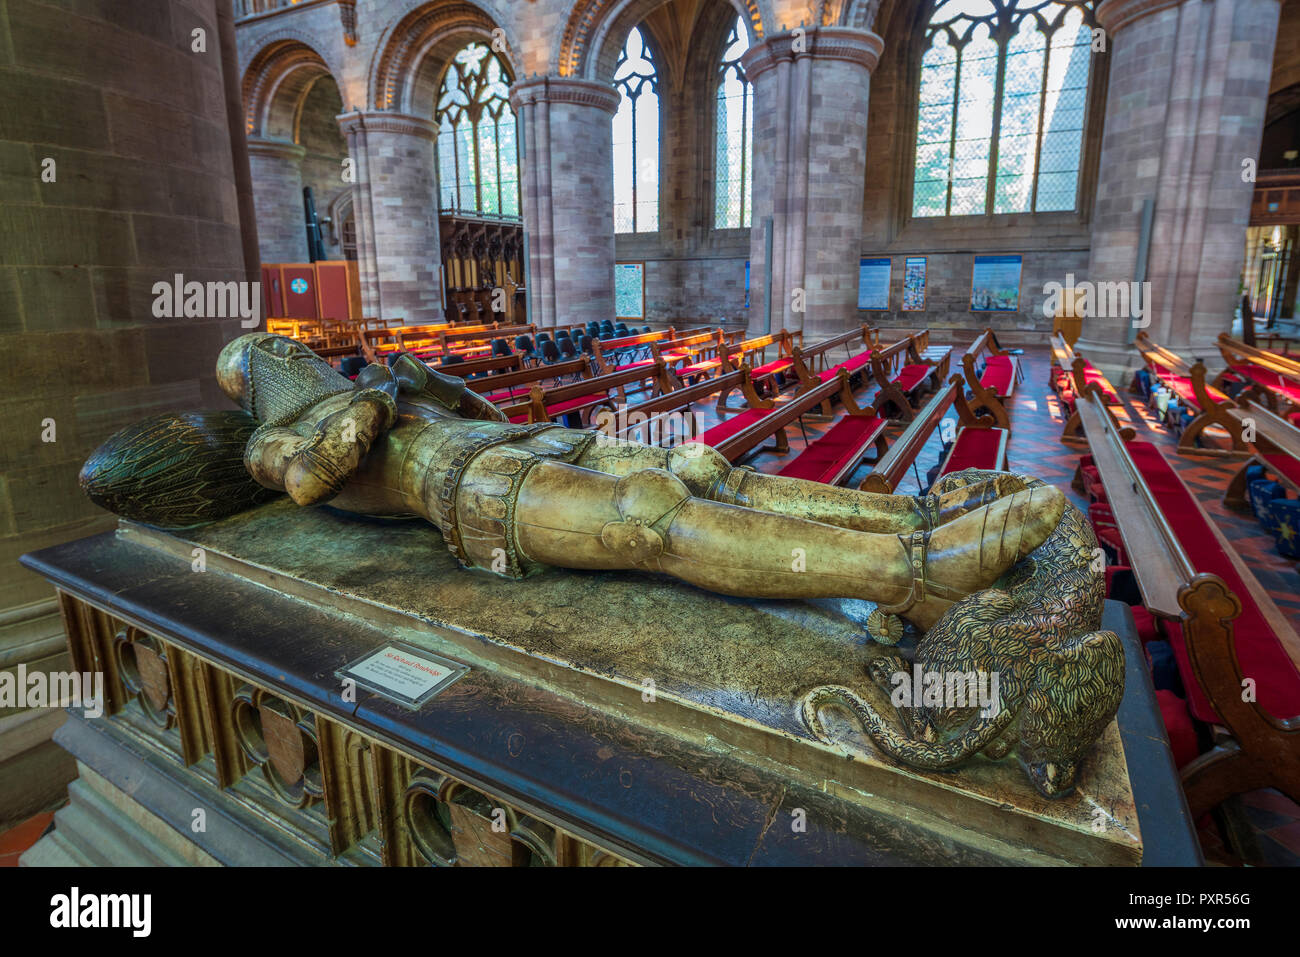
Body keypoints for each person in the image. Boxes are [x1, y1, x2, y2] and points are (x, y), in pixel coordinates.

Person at [210, 333, 1064, 633]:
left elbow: (472, 403)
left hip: (523, 438)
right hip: (470, 493)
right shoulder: (277, 435)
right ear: (254, 385)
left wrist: (421, 383)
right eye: (267, 360)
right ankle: (913, 579)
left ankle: (905, 515)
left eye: (286, 350)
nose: (287, 359)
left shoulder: (371, 389)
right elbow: (312, 479)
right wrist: (367, 401)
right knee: (649, 519)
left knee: (702, 469)